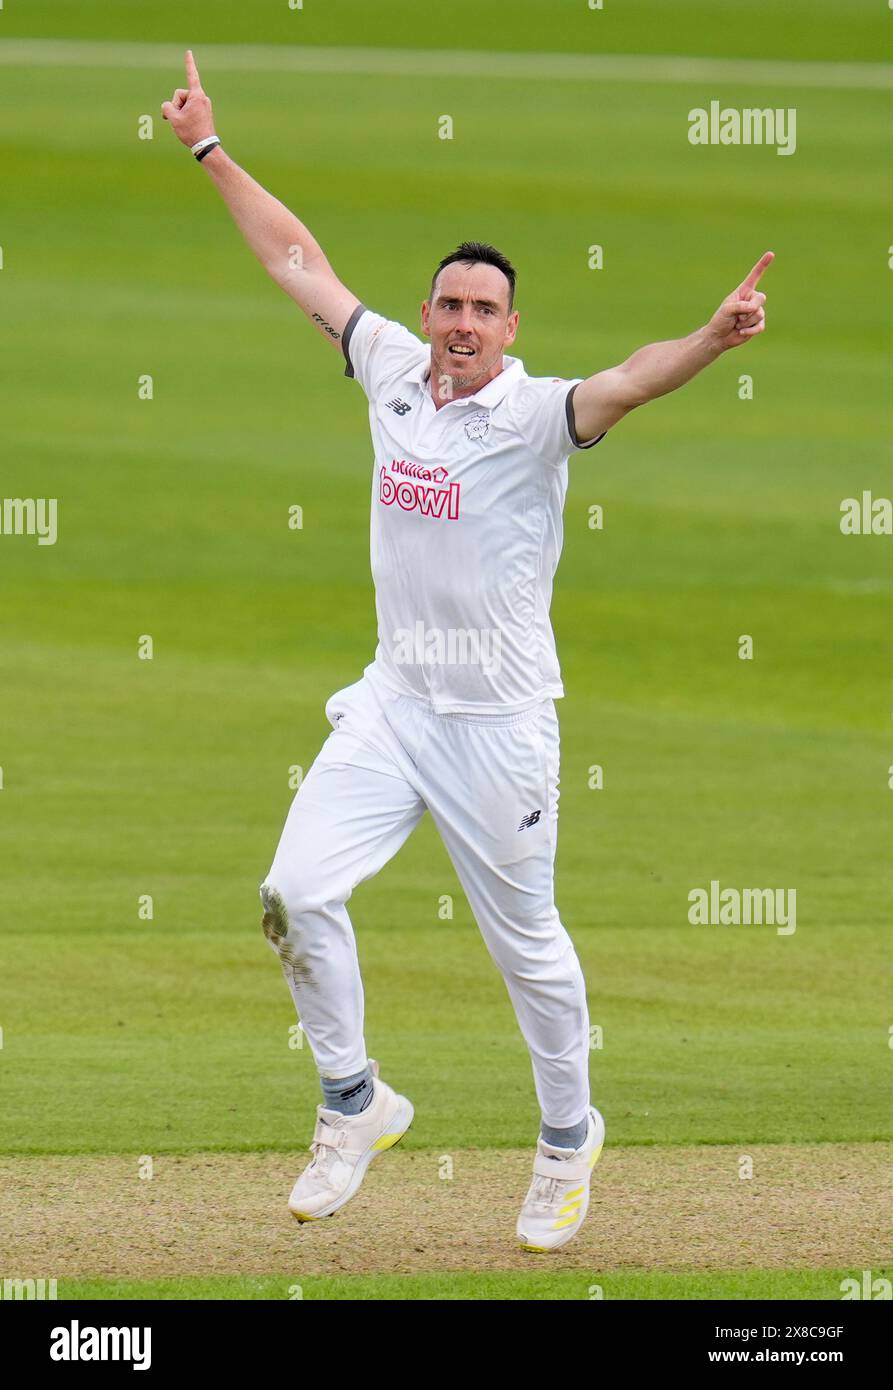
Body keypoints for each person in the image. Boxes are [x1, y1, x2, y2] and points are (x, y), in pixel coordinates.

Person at [163, 50, 771, 1251]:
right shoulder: (389, 369)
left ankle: (564, 1139)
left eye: (481, 309)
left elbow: (630, 381)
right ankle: (354, 1102)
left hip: (496, 724)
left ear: (508, 329)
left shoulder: (538, 414)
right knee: (294, 890)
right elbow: (301, 263)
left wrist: (708, 338)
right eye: (446, 304)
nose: (457, 325)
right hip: (392, 705)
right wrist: (207, 148)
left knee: (525, 949)